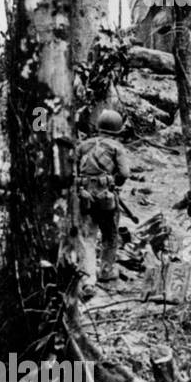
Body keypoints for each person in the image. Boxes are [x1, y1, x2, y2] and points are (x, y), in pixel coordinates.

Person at [77, 110, 132, 298]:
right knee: (110, 235)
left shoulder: (83, 145)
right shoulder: (116, 147)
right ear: (117, 129)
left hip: (84, 196)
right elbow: (124, 173)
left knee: (88, 237)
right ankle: (106, 271)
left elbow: (75, 169)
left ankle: (88, 279)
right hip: (106, 197)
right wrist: (113, 183)